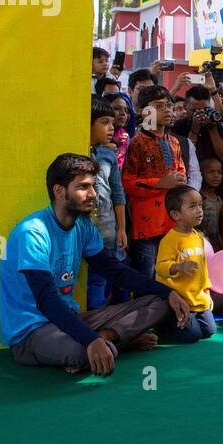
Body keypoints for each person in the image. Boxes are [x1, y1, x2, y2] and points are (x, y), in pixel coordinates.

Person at [0, 153, 190, 374]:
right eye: (83, 187)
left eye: (93, 186)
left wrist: (168, 292)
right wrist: (88, 339)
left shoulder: (84, 227)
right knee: (82, 351)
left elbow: (116, 272)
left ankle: (106, 340)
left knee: (160, 301)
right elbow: (46, 300)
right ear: (59, 191)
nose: (93, 194)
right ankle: (110, 343)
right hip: (32, 333)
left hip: (71, 320)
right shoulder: (33, 232)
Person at [122, 85, 186, 277]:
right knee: (147, 276)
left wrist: (180, 178)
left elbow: (180, 170)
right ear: (143, 112)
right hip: (146, 225)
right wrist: (160, 183)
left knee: (170, 275)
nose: (167, 110)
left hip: (172, 220)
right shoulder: (137, 142)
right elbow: (127, 182)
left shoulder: (173, 141)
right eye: (159, 106)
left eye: (168, 105)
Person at [154, 187, 218, 342]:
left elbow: (204, 269)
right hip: (180, 301)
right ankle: (162, 326)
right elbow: (160, 267)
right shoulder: (170, 240)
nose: (199, 210)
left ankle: (185, 322)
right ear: (176, 215)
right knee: (192, 335)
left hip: (198, 299)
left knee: (210, 331)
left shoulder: (199, 237)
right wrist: (178, 267)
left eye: (200, 205)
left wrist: (207, 292)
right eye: (192, 206)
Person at [87, 97, 128, 310]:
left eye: (112, 122)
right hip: (84, 229)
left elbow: (117, 192)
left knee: (101, 278)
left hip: (107, 228)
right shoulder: (77, 153)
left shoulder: (108, 154)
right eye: (104, 122)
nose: (111, 128)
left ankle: (101, 317)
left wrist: (121, 228)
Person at [198, 157, 223, 245]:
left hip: (215, 242)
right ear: (201, 174)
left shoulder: (219, 200)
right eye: (211, 172)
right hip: (200, 240)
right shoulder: (199, 198)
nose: (216, 175)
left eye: (219, 172)